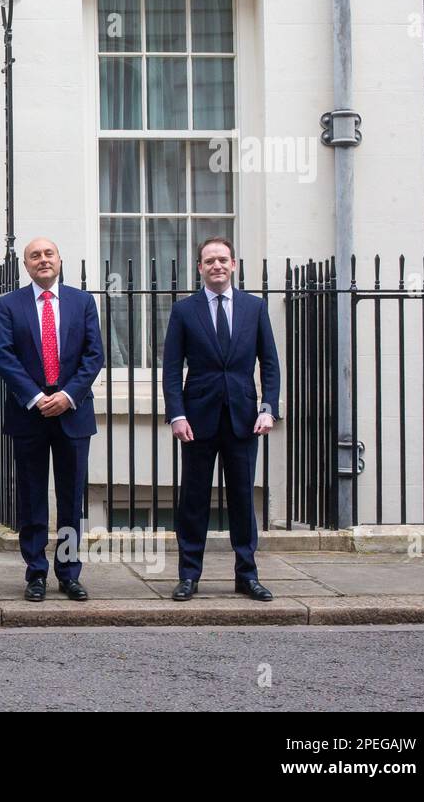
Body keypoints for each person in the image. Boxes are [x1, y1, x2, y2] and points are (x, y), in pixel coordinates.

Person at [163, 236, 280, 602]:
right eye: (209, 260)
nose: (216, 266)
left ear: (234, 265)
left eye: (222, 260)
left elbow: (271, 364)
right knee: (194, 500)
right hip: (197, 421)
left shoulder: (254, 308)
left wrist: (268, 408)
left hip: (244, 419)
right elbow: (170, 369)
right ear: (199, 267)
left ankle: (247, 575)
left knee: (243, 500)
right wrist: (176, 414)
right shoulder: (184, 311)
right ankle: (188, 576)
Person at [0, 237, 104, 603]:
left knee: (72, 499)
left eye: (48, 254)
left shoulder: (82, 301)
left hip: (72, 411)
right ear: (26, 265)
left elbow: (94, 355)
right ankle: (36, 572)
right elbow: (5, 357)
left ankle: (69, 573)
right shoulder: (10, 305)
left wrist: (68, 395)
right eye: (34, 256)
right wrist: (38, 397)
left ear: (60, 259)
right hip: (31, 414)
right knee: (31, 497)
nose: (43, 260)